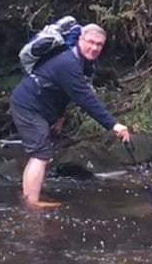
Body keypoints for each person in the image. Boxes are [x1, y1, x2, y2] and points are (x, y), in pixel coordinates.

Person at [10, 23, 130, 208]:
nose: (94, 48)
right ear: (80, 39)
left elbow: (66, 91)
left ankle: (28, 194)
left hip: (42, 107)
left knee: (40, 152)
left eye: (99, 45)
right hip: (27, 105)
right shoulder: (67, 63)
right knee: (41, 154)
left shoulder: (85, 63)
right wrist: (114, 125)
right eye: (90, 42)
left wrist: (60, 116)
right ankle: (32, 205)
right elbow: (85, 98)